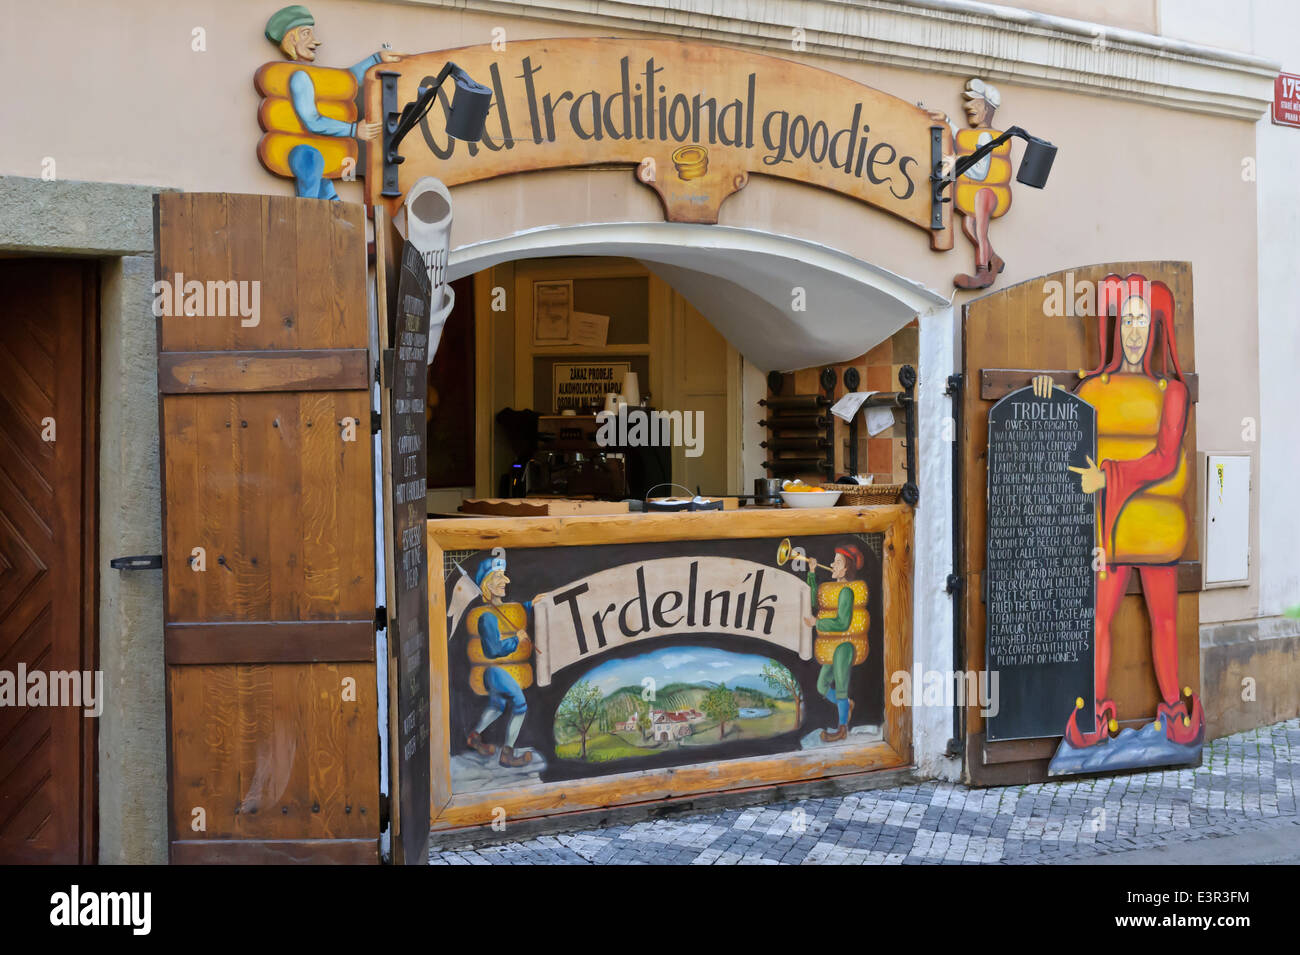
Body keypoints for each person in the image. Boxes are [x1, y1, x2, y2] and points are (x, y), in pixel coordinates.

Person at [1035, 273, 1203, 749]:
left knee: (1165, 622)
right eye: (1126, 320)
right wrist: (1044, 393)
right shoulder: (1092, 390)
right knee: (1097, 619)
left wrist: (1108, 477)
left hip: (1156, 530)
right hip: (1108, 531)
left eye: (1141, 320)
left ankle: (1174, 712)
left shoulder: (1173, 393)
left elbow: (1165, 459)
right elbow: (1068, 441)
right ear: (1114, 325)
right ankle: (1093, 711)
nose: (1134, 331)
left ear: (1155, 327)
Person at [261, 5, 402, 200]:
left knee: (328, 195)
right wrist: (354, 130)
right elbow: (311, 120)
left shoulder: (317, 76)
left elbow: (347, 80)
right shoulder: (300, 77)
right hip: (303, 154)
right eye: (306, 34)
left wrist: (377, 59)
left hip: (320, 157)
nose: (316, 41)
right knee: (312, 163)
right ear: (291, 39)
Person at [929, 79, 1013, 290]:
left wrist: (955, 162)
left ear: (987, 108)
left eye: (975, 103)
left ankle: (983, 272)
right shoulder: (976, 134)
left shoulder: (986, 136)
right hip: (976, 192)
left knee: (980, 230)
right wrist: (946, 119)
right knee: (968, 226)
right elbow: (960, 136)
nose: (969, 108)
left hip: (988, 192)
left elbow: (980, 172)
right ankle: (995, 260)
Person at [463, 554, 542, 767]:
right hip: (493, 670)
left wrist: (530, 605)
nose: (506, 581)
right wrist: (516, 640)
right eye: (499, 578)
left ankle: (474, 736)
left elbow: (510, 615)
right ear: (487, 585)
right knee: (520, 703)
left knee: (498, 706)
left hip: (497, 671)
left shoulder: (497, 611)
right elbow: (492, 650)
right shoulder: (486, 617)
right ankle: (507, 754)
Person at [801, 545, 870, 742]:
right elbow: (814, 602)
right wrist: (812, 573)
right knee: (821, 686)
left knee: (841, 685)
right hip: (832, 644)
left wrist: (817, 623)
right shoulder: (831, 589)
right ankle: (845, 705)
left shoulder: (846, 592)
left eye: (837, 562)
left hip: (845, 645)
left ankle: (842, 728)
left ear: (847, 568)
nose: (832, 564)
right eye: (834, 561)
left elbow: (842, 623)